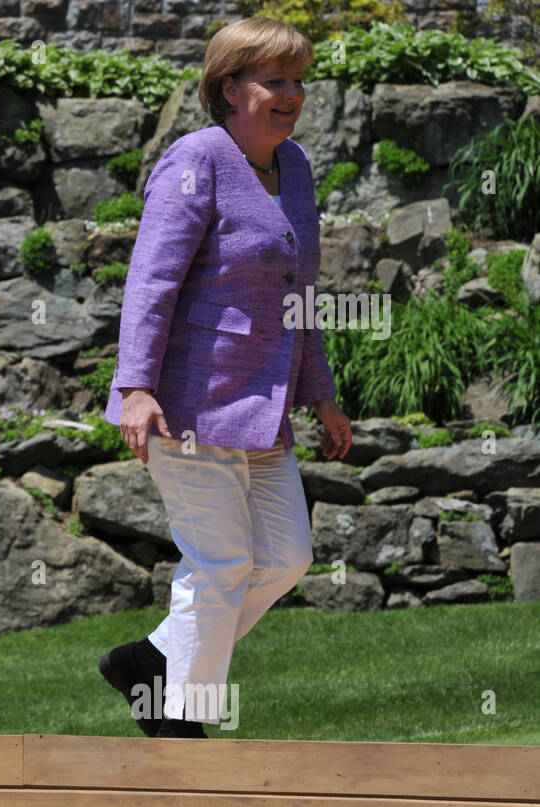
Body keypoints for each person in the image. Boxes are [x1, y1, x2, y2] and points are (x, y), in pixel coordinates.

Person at [99, 17, 352, 738]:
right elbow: (151, 282)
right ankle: (182, 719)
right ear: (228, 86)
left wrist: (321, 394)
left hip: (265, 409)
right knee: (223, 560)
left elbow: (299, 293)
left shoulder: (295, 167)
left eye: (299, 80)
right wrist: (136, 387)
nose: (292, 94)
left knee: (286, 556)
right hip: (188, 402)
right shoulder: (196, 160)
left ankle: (151, 660)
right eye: (275, 80)